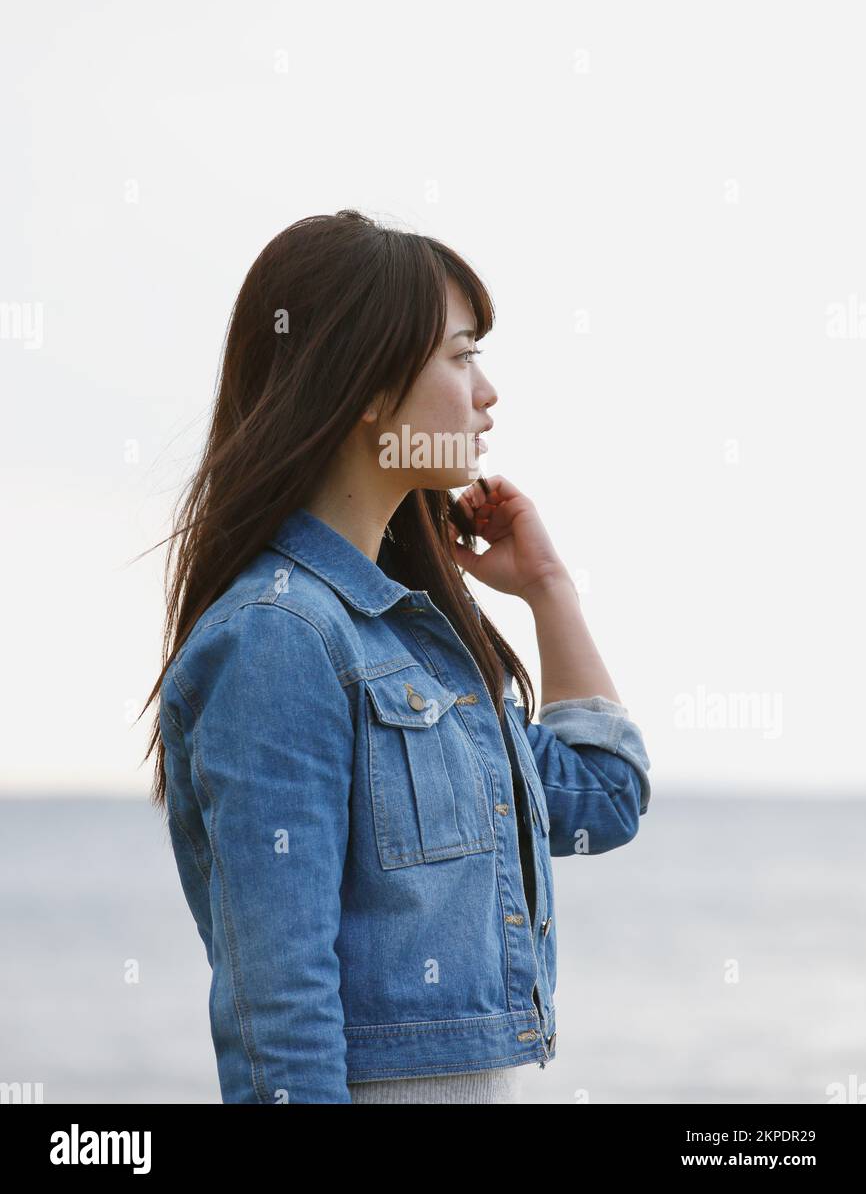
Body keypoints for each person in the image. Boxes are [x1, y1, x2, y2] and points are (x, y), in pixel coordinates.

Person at [140, 209, 652, 1103]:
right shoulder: (280, 639)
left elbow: (603, 800)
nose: (487, 392)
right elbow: (279, 1012)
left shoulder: (422, 649)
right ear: (368, 386)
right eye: (461, 357)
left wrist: (550, 590)